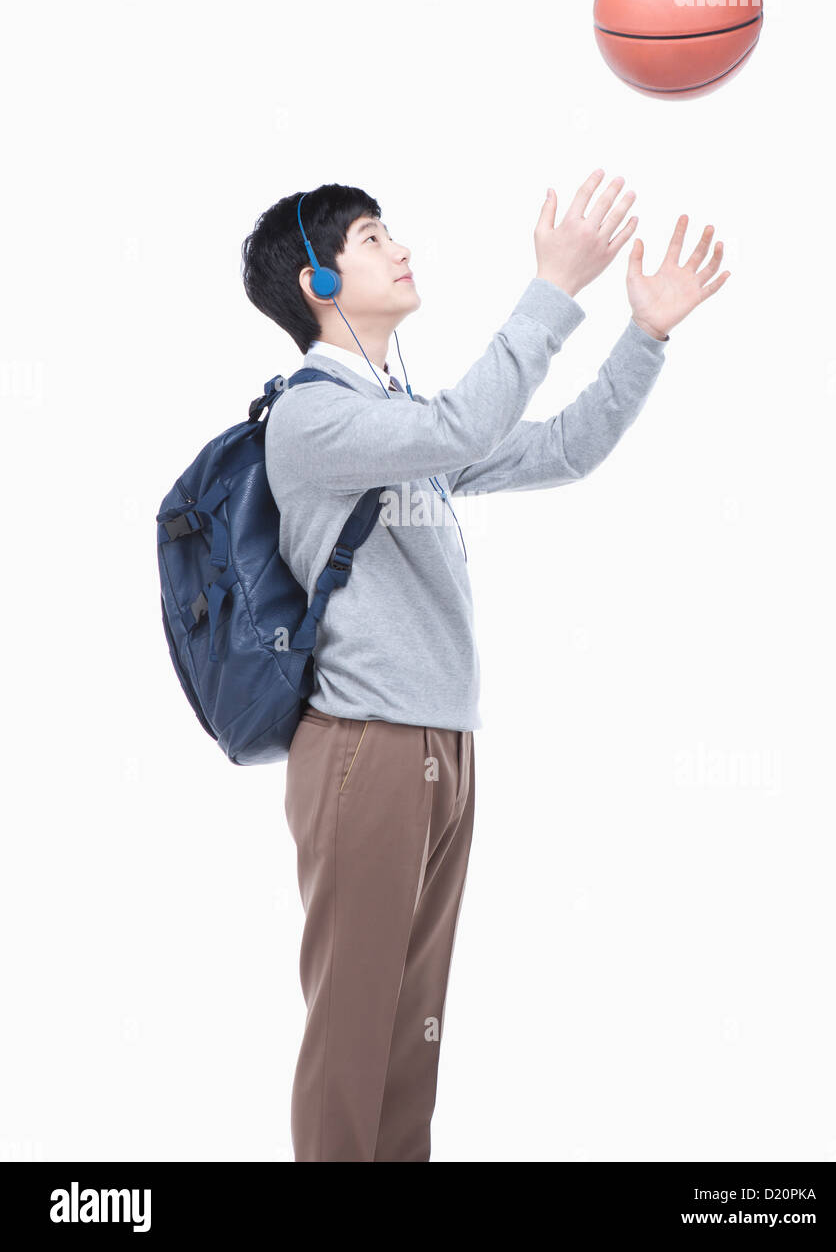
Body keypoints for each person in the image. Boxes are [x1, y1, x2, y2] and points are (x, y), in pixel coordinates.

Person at [241, 172, 729, 1161]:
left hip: (438, 746)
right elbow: (464, 427)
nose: (399, 249)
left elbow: (559, 447)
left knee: (410, 1029)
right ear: (317, 280)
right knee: (353, 1032)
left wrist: (643, 336)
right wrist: (552, 291)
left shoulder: (401, 418)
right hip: (362, 753)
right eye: (373, 237)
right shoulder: (311, 419)